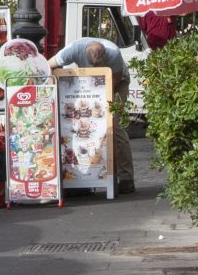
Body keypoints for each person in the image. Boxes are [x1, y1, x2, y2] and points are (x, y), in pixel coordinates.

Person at [48, 37, 136, 193]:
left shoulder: (114, 53)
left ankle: (126, 178)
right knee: (76, 124)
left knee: (114, 126)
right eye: (92, 64)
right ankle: (82, 177)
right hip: (87, 83)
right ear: (84, 54)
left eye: (98, 64)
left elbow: (115, 79)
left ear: (104, 55)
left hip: (117, 83)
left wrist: (99, 99)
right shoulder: (73, 49)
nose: (95, 66)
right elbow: (50, 65)